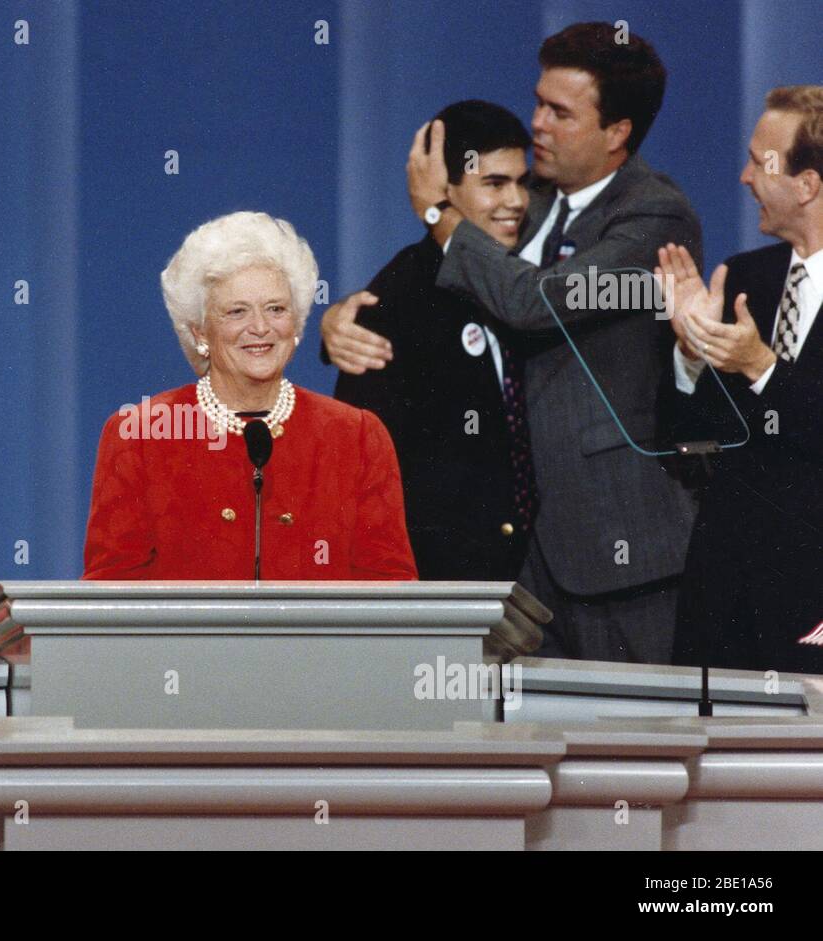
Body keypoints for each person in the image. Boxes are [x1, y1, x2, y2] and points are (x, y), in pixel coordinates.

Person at [324, 22, 701, 664]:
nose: (538, 125)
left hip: (618, 550)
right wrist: (348, 321)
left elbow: (535, 304)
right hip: (520, 559)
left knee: (630, 748)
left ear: (618, 134)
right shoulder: (528, 196)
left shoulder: (653, 219)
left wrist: (438, 212)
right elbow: (447, 289)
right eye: (537, 103)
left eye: (560, 112)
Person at [83, 211, 417, 581]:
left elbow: (390, 593)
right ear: (200, 333)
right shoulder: (140, 434)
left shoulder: (357, 436)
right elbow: (111, 598)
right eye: (236, 311)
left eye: (276, 309)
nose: (260, 328)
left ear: (296, 324)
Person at [331, 100, 533, 580]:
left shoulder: (528, 276)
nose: (517, 201)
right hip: (444, 583)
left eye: (523, 182)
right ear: (443, 189)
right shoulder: (397, 296)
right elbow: (370, 470)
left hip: (534, 579)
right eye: (494, 184)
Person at [658, 86, 823, 674]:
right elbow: (690, 440)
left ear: (807, 184)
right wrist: (691, 351)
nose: (744, 177)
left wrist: (760, 366)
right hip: (723, 606)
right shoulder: (747, 277)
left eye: (761, 162)